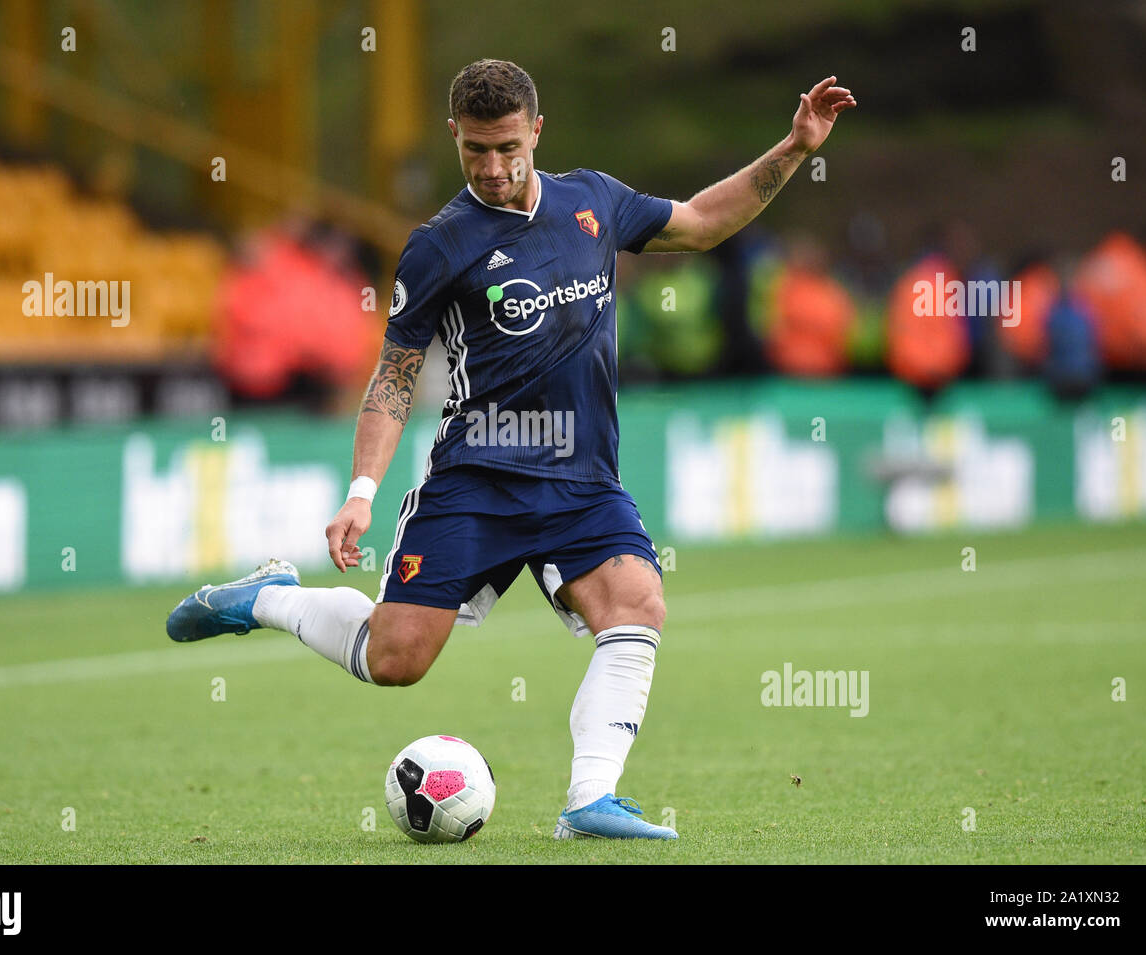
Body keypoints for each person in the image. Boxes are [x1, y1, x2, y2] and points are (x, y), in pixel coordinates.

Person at [167, 59, 855, 840]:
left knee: (637, 603)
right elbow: (394, 376)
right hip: (478, 478)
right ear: (454, 137)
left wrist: (795, 148)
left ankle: (590, 799)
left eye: (506, 149)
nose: (492, 168)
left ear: (536, 131)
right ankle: (268, 596)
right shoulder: (439, 246)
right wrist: (361, 490)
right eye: (474, 151)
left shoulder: (593, 201)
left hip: (581, 479)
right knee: (396, 659)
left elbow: (700, 222)